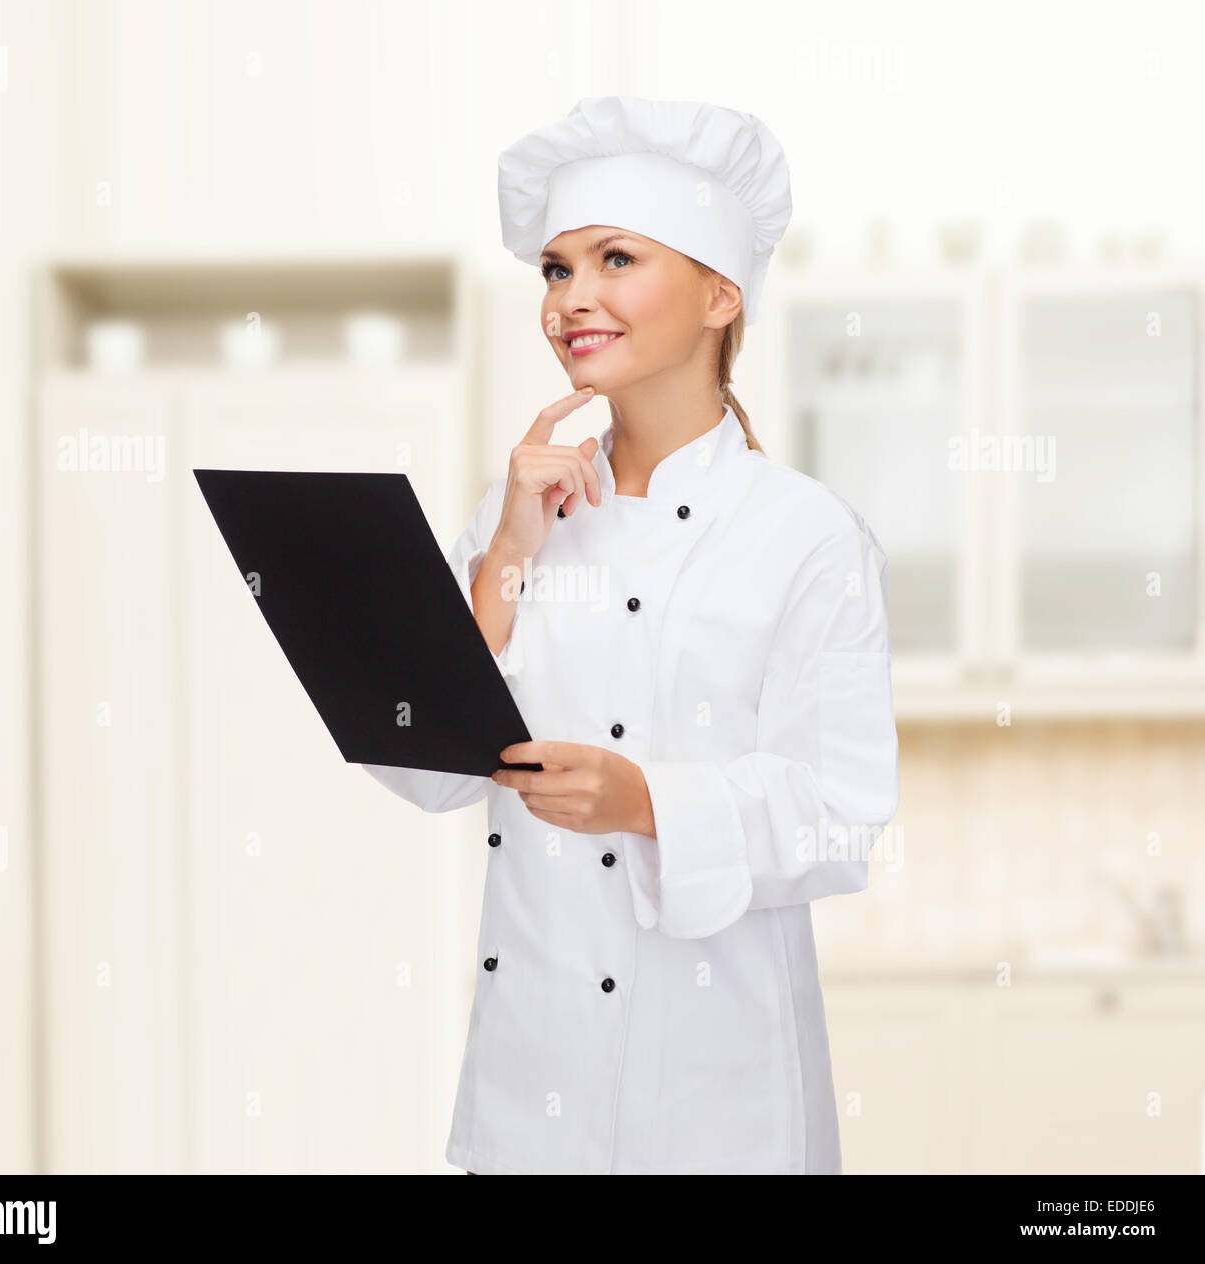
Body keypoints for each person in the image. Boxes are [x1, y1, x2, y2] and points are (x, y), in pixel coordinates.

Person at [362, 96, 900, 1175]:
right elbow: (424, 768)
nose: (572, 300)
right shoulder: (516, 505)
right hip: (526, 1102)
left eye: (614, 259)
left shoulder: (803, 534)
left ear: (718, 293)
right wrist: (506, 549)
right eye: (555, 270)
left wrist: (644, 800)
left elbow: (840, 818)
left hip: (720, 1105)